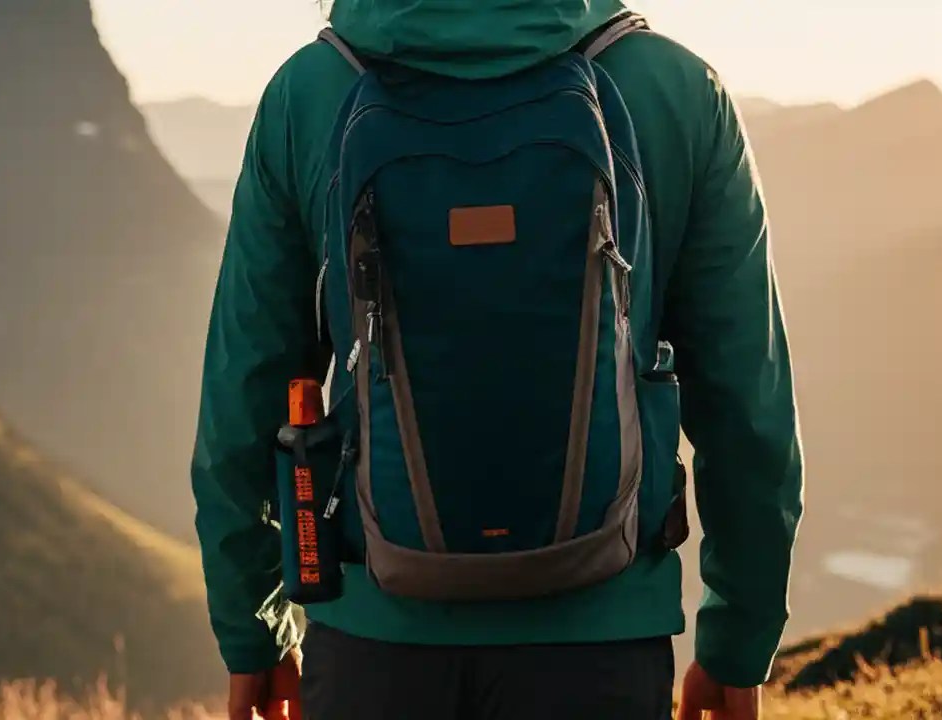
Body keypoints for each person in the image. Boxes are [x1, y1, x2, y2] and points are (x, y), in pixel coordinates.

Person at [191, 1, 804, 718]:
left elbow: (244, 393)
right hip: (599, 644)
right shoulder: (674, 90)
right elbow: (748, 409)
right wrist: (738, 641)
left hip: (373, 646)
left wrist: (253, 629)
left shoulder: (310, 92)